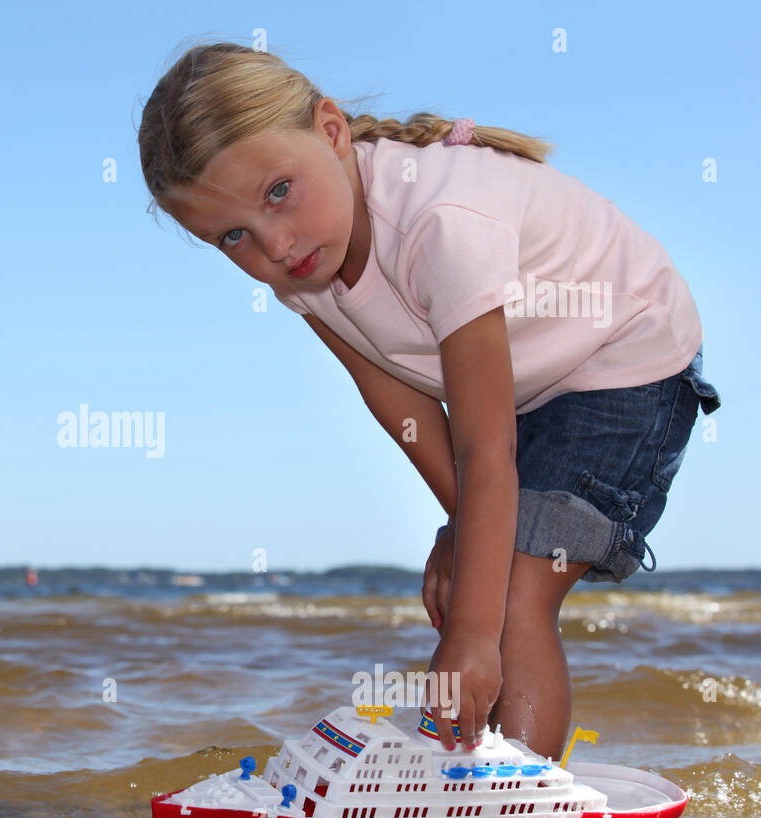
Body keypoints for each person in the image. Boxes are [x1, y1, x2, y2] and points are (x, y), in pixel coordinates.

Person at [136, 41, 722, 760]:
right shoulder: (303, 274)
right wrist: (459, 528)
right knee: (473, 584)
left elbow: (486, 446)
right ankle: (468, 785)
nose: (277, 246)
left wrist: (474, 633)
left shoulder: (441, 223)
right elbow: (399, 400)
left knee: (508, 603)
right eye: (233, 236)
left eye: (279, 191)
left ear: (330, 130)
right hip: (528, 390)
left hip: (624, 361)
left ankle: (510, 809)